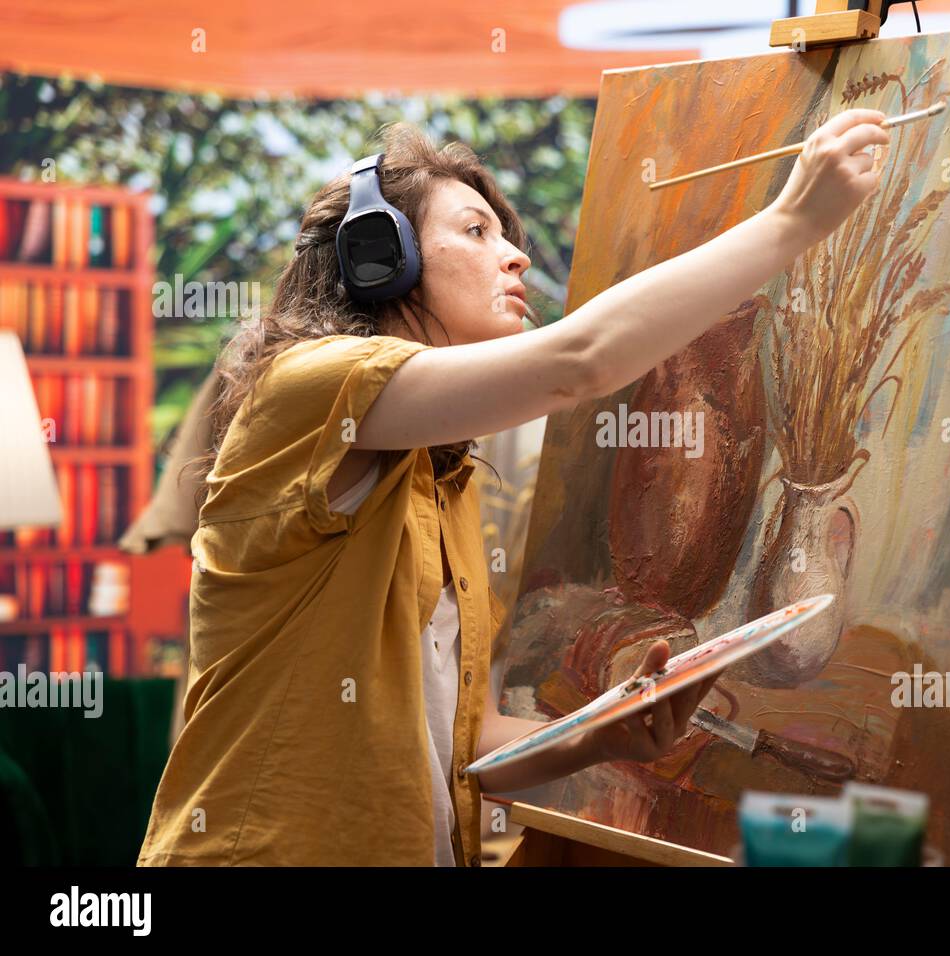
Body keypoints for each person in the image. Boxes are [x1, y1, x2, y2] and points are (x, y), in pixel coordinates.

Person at [137, 111, 892, 866]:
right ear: (380, 258)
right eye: (475, 232)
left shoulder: (441, 472)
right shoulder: (306, 386)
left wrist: (604, 732)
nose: (514, 260)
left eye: (509, 238)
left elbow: (466, 748)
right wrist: (795, 219)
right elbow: (582, 362)